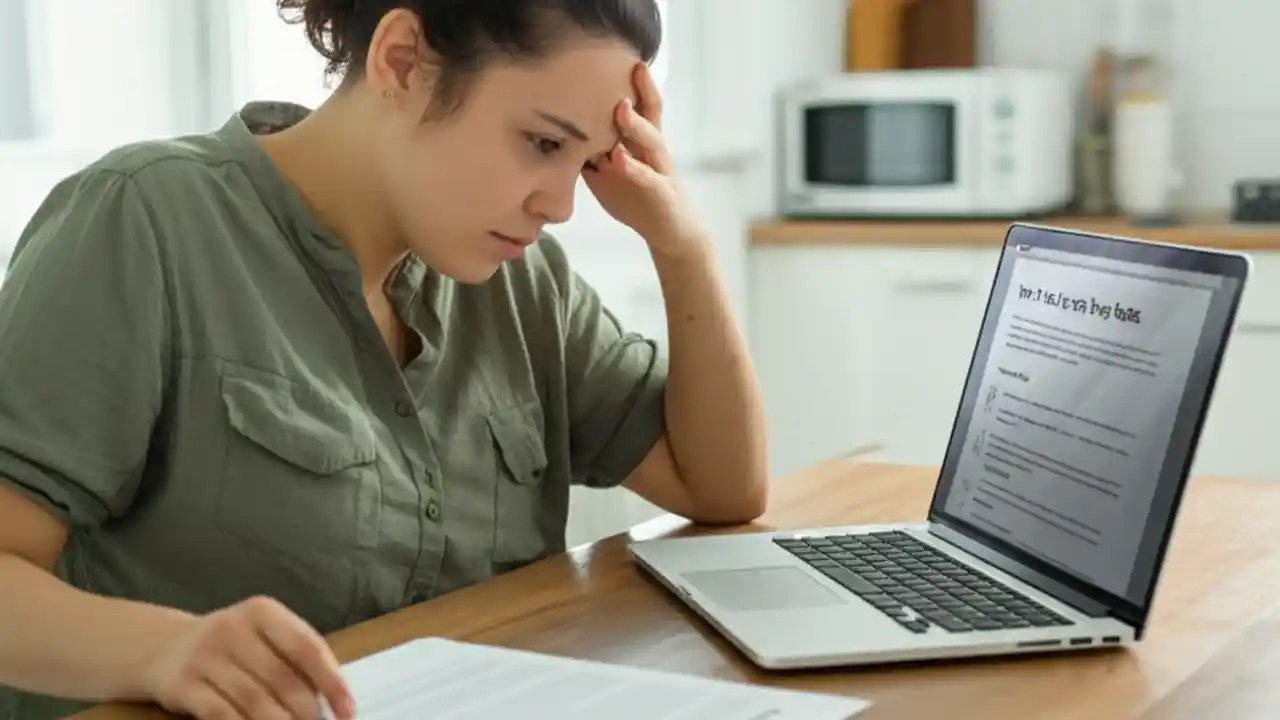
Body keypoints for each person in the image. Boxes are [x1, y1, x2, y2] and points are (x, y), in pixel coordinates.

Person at [0, 0, 768, 717]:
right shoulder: (144, 220)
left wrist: (682, 244)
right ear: (402, 61)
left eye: (590, 161)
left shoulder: (523, 283)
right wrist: (162, 651)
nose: (560, 205)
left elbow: (720, 486)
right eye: (543, 144)